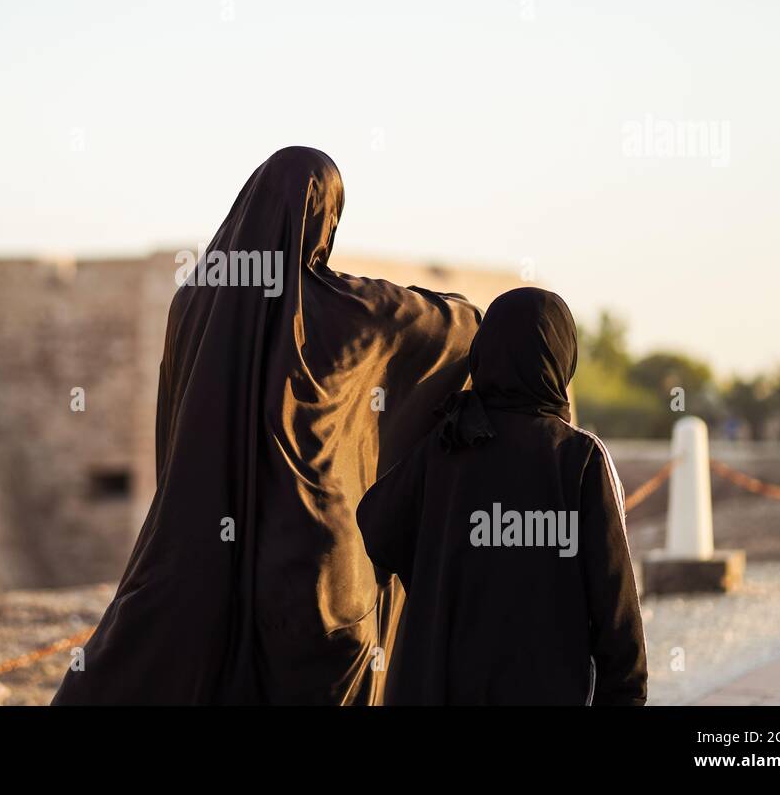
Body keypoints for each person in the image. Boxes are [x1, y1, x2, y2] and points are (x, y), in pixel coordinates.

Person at [53, 146, 480, 704]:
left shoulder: (191, 306)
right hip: (321, 572)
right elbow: (463, 325)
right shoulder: (351, 311)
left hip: (203, 552)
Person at [356, 287, 647, 705]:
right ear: (562, 357)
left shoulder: (446, 446)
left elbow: (378, 531)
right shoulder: (578, 460)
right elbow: (617, 621)